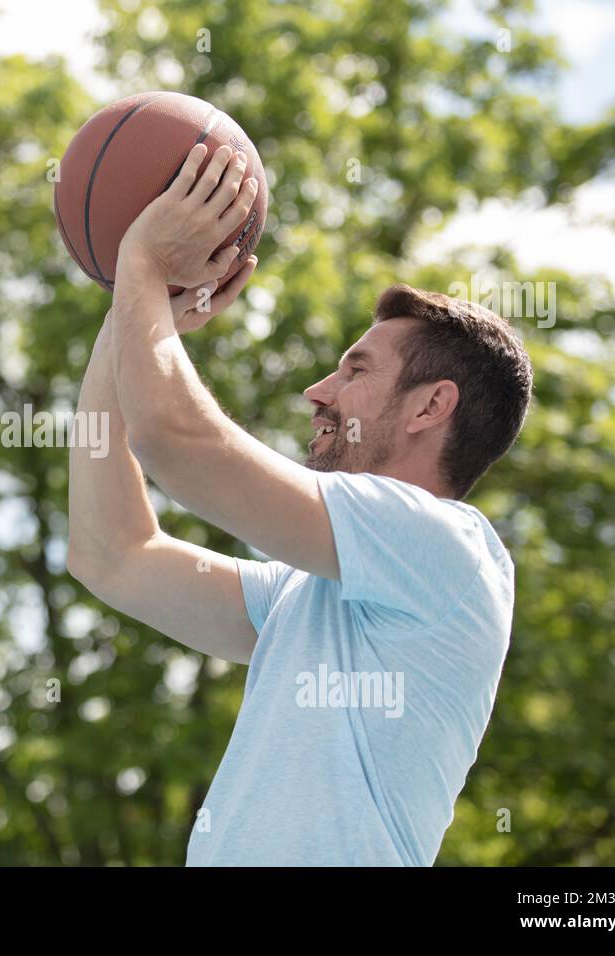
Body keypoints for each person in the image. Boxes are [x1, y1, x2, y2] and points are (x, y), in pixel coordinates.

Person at [66, 143, 534, 866]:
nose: (317, 391)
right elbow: (111, 555)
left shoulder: (448, 549)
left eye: (356, 369)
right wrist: (133, 309)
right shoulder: (308, 598)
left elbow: (175, 442)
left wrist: (142, 265)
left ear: (431, 406)